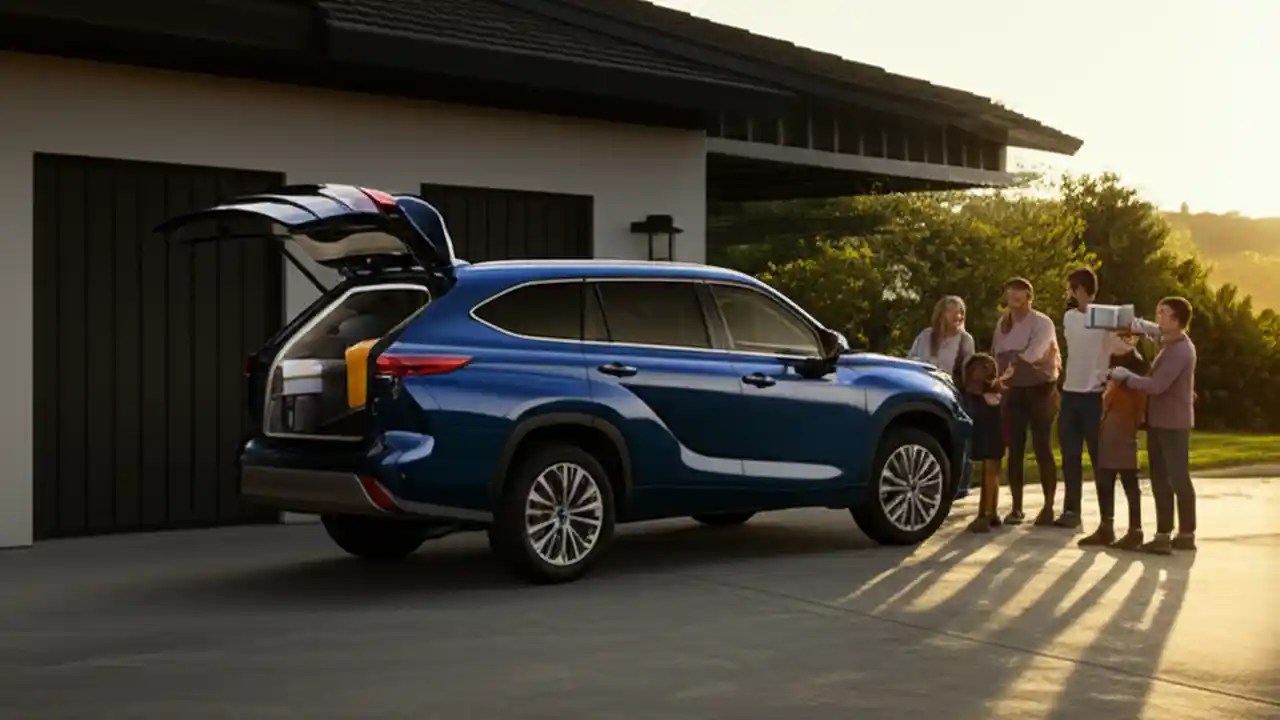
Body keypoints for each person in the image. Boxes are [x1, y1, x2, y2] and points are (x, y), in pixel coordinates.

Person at [1109, 296, 1198, 555]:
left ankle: (1185, 533)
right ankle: (1163, 534)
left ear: (1177, 320)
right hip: (1160, 421)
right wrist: (1136, 324)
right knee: (1159, 478)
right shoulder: (1170, 341)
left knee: (1177, 477)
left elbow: (1157, 385)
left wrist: (1126, 377)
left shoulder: (1180, 349)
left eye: (1163, 313)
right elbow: (1154, 332)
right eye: (1158, 311)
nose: (1158, 316)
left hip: (1174, 423)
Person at [1058, 268, 1132, 529]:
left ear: (1080, 288)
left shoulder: (1105, 318)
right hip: (1070, 393)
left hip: (1094, 396)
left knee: (1100, 458)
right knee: (1070, 455)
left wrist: (1126, 333)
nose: (1068, 292)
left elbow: (1123, 345)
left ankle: (1106, 518)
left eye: (1071, 287)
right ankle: (1071, 511)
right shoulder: (1069, 317)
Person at [991, 277, 1062, 526]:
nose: (1015, 302)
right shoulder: (1003, 324)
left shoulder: (1042, 323)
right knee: (1015, 448)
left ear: (1029, 298)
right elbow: (996, 353)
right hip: (1014, 391)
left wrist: (1012, 366)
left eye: (1020, 297)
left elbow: (1035, 353)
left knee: (1043, 446)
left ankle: (1049, 506)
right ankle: (1017, 507)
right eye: (1011, 297)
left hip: (1040, 389)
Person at [1079, 346, 1149, 550]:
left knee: (1126, 481)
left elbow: (1136, 413)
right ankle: (1108, 526)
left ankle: (1133, 530)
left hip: (1121, 433)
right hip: (1111, 433)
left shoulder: (1131, 387)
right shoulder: (1119, 385)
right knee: (1107, 480)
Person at [960, 354, 1010, 533]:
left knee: (991, 472)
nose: (987, 371)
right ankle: (992, 513)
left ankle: (985, 515)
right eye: (983, 368)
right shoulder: (975, 394)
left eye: (989, 368)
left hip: (994, 435)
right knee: (990, 473)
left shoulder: (991, 395)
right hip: (989, 435)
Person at [908, 295, 975, 383]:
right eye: (953, 311)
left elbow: (970, 375)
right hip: (921, 386)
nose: (958, 316)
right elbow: (910, 360)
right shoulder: (925, 336)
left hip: (950, 392)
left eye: (961, 312)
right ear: (941, 315)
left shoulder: (966, 340)